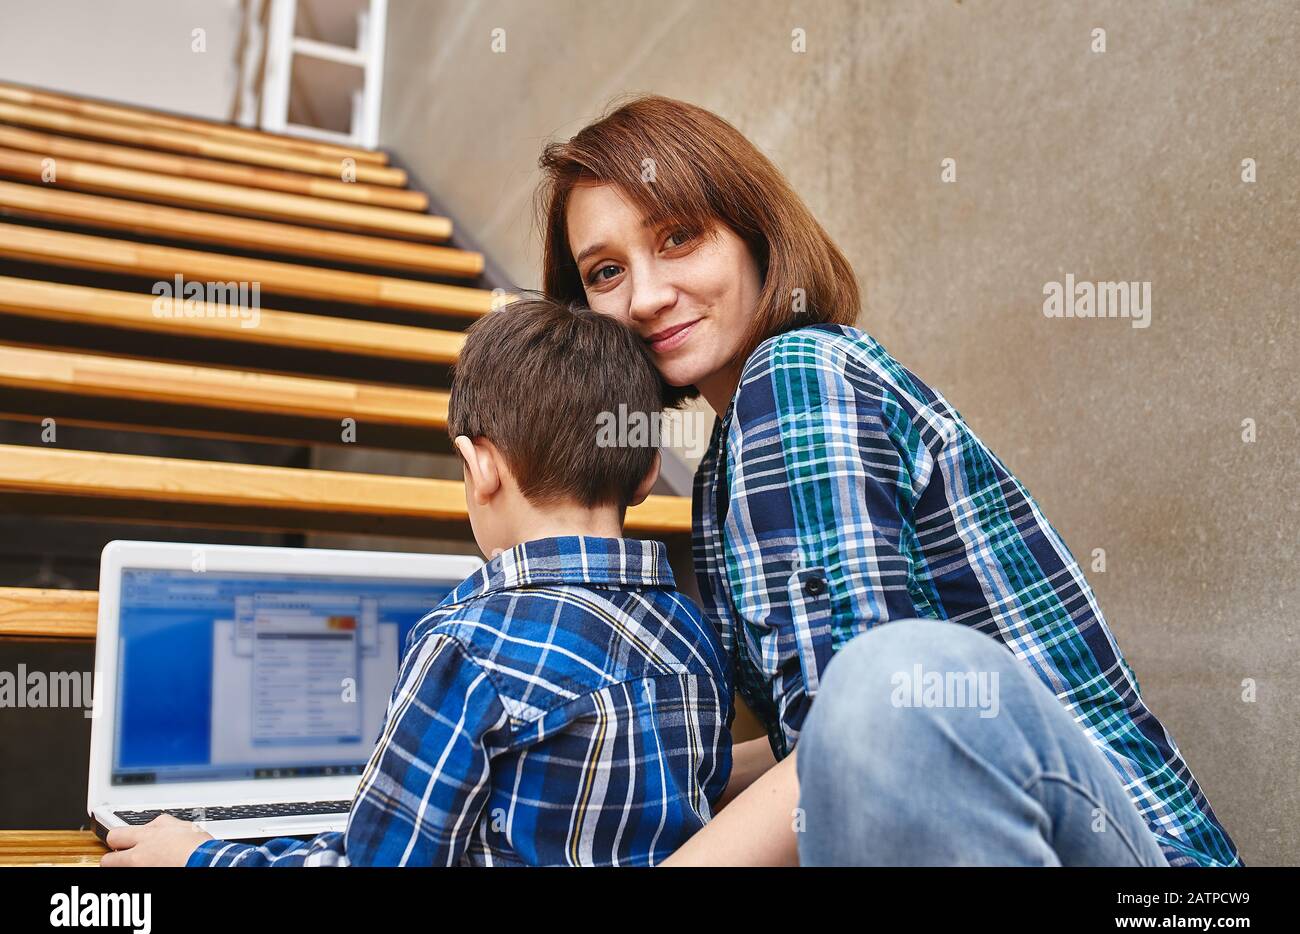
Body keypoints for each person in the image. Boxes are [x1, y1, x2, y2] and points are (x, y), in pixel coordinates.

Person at [534, 93, 1241, 866]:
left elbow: (862, 725)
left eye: (678, 238)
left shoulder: (797, 373)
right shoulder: (718, 478)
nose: (644, 296)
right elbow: (827, 755)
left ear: (752, 233)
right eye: (606, 272)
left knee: (878, 691)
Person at [101, 297, 732, 866]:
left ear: (478, 464)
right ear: (650, 470)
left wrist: (197, 858)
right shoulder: (693, 637)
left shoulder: (468, 647)